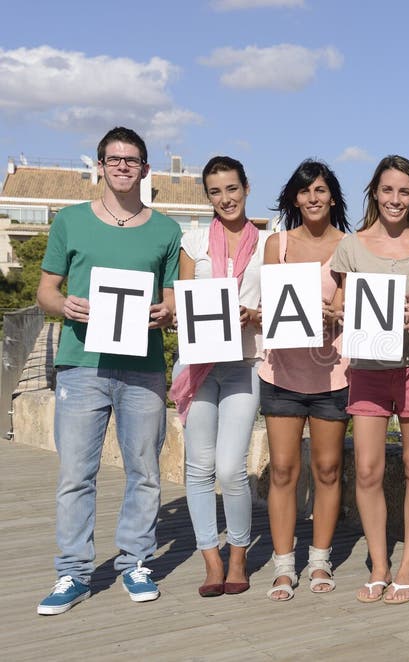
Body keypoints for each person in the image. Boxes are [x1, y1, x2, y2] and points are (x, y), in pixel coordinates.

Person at [36, 127, 181, 614]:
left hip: (143, 367)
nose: (122, 166)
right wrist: (66, 307)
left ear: (145, 169)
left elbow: (172, 296)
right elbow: (45, 292)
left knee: (145, 470)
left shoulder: (166, 229)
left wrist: (167, 311)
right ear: (100, 165)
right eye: (113, 158)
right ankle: (72, 573)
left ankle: (136, 561)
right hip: (81, 365)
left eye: (132, 159)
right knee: (77, 472)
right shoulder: (71, 222)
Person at [330, 155, 409, 605]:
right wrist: (339, 311)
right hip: (368, 372)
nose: (396, 199)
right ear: (375, 192)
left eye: (405, 192)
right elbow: (338, 306)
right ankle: (379, 564)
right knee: (369, 470)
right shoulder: (351, 247)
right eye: (388, 190)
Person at [170, 156, 267, 598]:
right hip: (197, 364)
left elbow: (281, 309)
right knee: (197, 468)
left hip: (244, 363)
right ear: (206, 196)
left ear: (246, 188)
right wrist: (173, 317)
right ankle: (211, 559)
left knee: (230, 468)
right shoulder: (192, 242)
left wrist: (254, 314)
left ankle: (239, 553)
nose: (225, 198)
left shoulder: (269, 244)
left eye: (232, 188)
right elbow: (182, 303)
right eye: (215, 191)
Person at [259, 160, 351, 601]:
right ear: (294, 198)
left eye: (320, 189)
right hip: (281, 371)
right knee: (282, 470)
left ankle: (320, 559)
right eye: (304, 191)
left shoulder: (351, 246)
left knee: (329, 469)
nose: (312, 198)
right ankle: (283, 565)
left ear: (333, 196)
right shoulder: (276, 244)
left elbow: (361, 309)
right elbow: (270, 306)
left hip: (335, 372)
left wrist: (342, 313)